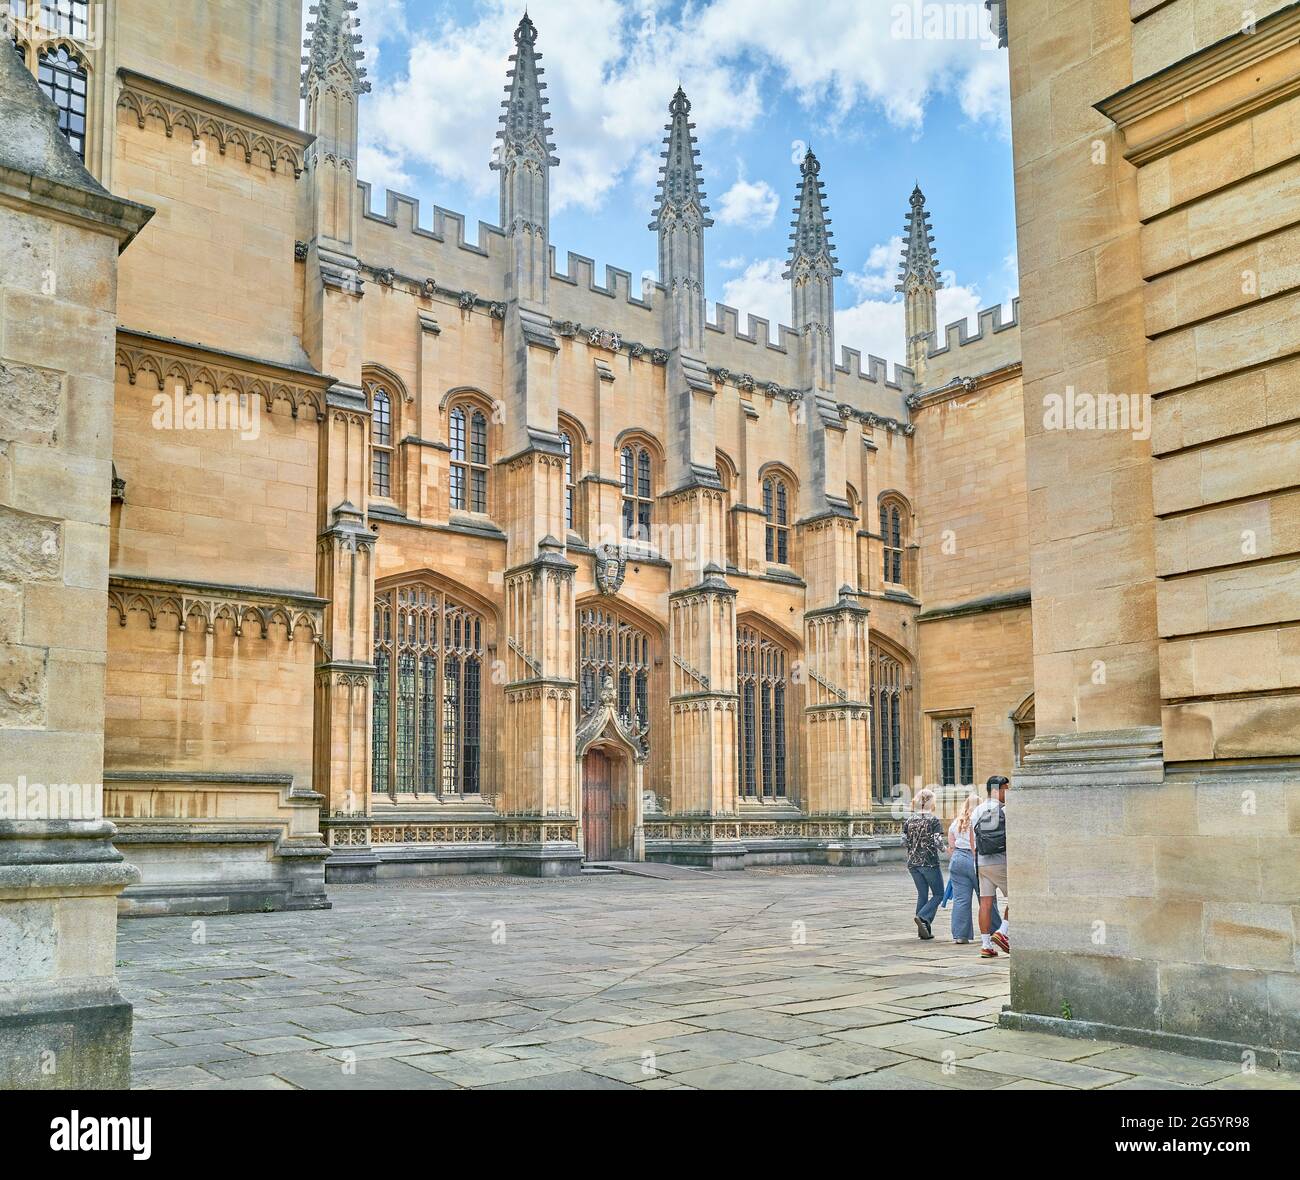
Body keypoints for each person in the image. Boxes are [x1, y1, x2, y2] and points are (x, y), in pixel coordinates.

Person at [948, 792, 1000, 944]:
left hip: (958, 859)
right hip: (975, 858)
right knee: (987, 897)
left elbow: (951, 845)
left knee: (960, 900)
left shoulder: (956, 822)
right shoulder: (981, 821)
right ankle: (995, 930)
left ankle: (960, 935)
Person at [973, 774, 1011, 958]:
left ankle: (986, 945)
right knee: (1019, 898)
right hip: (1001, 861)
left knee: (985, 903)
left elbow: (974, 840)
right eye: (1006, 789)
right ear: (997, 790)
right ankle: (1003, 932)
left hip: (981, 861)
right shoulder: (1005, 809)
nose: (1008, 793)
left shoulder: (977, 810)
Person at [902, 787, 945, 940]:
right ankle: (923, 917)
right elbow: (937, 841)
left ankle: (923, 931)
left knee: (922, 894)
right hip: (929, 862)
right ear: (930, 802)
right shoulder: (933, 820)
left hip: (913, 863)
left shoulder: (909, 820)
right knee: (939, 893)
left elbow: (903, 841)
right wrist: (944, 849)